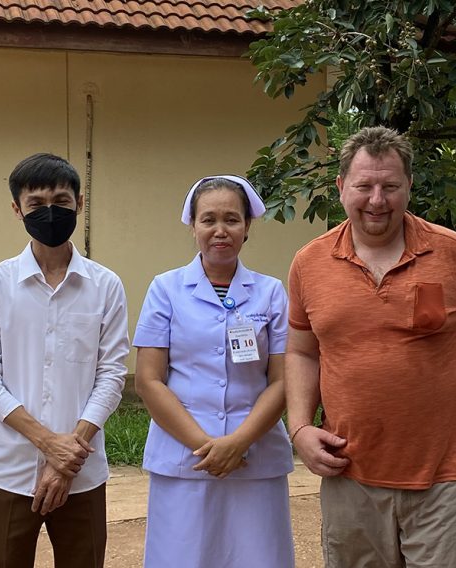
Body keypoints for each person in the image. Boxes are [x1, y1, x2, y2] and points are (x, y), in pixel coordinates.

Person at [285, 126, 456, 567]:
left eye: (390, 186)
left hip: (446, 477)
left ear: (409, 186)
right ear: (341, 186)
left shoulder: (455, 254)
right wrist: (299, 428)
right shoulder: (310, 263)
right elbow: (302, 351)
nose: (376, 200)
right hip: (350, 472)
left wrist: (436, 388)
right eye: (364, 186)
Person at [0, 153, 130, 568]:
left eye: (61, 199)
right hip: (8, 471)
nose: (50, 211)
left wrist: (68, 455)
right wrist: (48, 443)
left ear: (80, 202)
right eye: (36, 203)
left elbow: (111, 375)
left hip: (83, 473)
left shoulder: (105, 285)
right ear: (17, 209)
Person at [134, 175, 295, 568]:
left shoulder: (271, 292)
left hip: (254, 456)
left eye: (231, 219)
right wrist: (206, 447)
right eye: (208, 220)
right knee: (182, 558)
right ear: (193, 226)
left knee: (258, 558)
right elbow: (149, 379)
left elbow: (283, 379)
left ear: (247, 227)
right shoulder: (165, 289)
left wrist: (238, 442)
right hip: (184, 457)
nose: (220, 231)